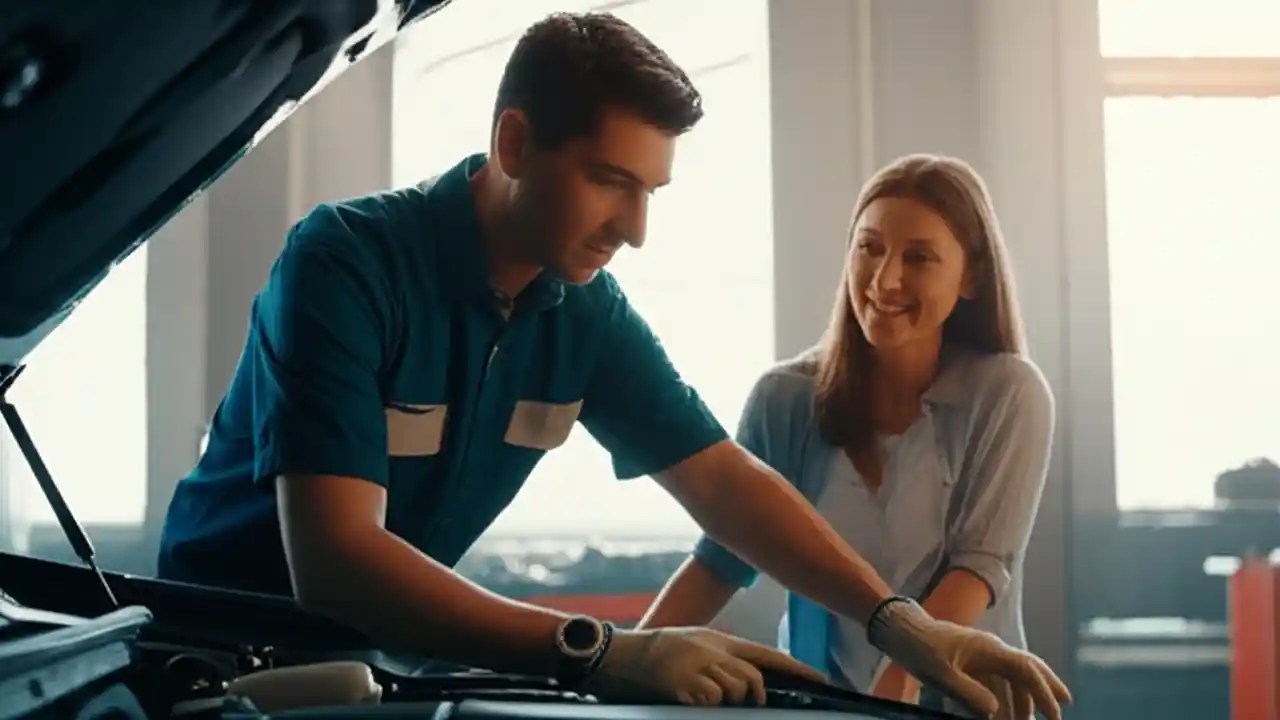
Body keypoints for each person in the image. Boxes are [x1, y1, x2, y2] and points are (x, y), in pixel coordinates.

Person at [156, 11, 1069, 717]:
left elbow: (722, 479)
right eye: (612, 182)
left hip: (382, 662)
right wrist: (607, 648)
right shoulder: (344, 263)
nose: (635, 230)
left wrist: (897, 625)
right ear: (514, 145)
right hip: (211, 661)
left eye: (650, 191)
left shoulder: (581, 310)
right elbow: (339, 562)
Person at [637, 153, 1057, 717]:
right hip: (825, 706)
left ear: (971, 276)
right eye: (870, 247)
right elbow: (722, 558)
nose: (886, 279)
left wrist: (898, 690)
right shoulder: (783, 400)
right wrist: (622, 666)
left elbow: (978, 568)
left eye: (920, 257)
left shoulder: (1009, 393)